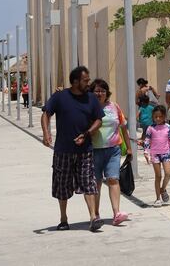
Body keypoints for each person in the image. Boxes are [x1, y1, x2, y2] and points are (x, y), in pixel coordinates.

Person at [41, 66, 105, 231]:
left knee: (88, 182)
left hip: (85, 150)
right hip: (63, 150)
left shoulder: (91, 98)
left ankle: (93, 217)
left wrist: (88, 133)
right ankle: (63, 218)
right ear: (75, 81)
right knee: (62, 184)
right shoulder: (60, 97)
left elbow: (99, 119)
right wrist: (46, 133)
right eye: (85, 80)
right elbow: (46, 113)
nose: (88, 83)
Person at [90, 79, 131, 226]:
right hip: (94, 150)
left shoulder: (114, 107)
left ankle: (117, 213)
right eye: (96, 90)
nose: (99, 93)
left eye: (102, 90)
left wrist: (129, 147)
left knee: (113, 179)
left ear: (107, 92)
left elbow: (123, 127)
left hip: (113, 150)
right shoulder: (88, 108)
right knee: (96, 183)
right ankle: (95, 214)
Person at [140, 105, 170, 206]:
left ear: (164, 117)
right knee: (158, 176)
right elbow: (147, 141)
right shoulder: (150, 128)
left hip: (166, 153)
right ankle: (158, 198)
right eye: (156, 117)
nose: (158, 119)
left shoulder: (168, 127)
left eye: (160, 116)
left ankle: (162, 189)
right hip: (155, 154)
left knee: (168, 173)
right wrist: (146, 152)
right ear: (153, 117)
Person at [136, 94, 153, 165]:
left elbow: (137, 114)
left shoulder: (141, 107)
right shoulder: (151, 107)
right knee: (149, 134)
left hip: (143, 122)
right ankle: (147, 143)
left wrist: (137, 119)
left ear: (142, 102)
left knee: (144, 133)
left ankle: (143, 143)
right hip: (150, 122)